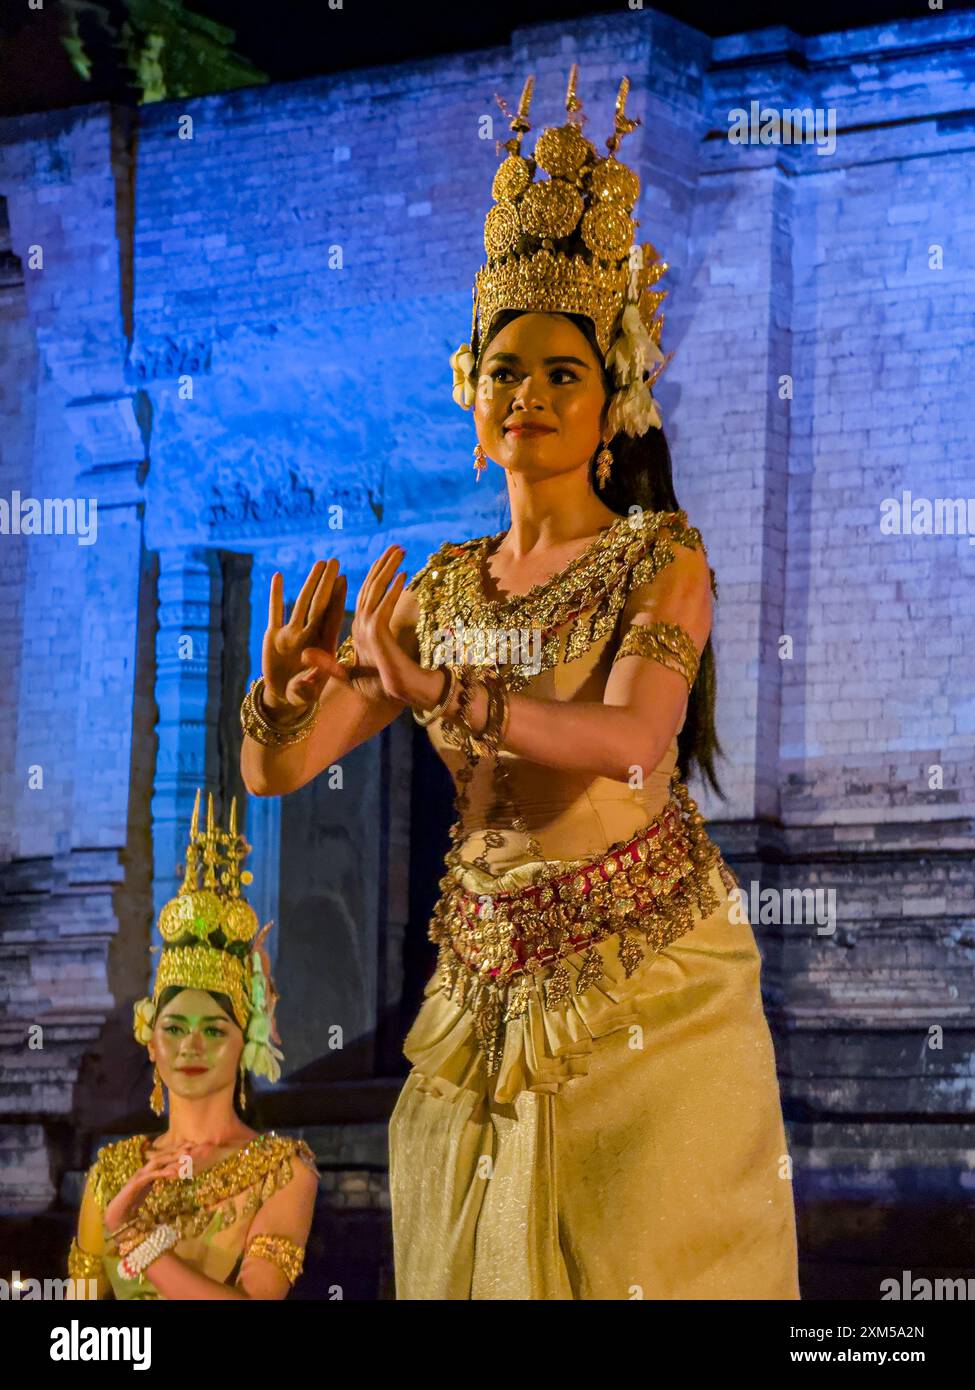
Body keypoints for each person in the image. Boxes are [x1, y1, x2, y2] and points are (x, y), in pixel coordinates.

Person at [240, 68, 800, 1300]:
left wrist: (450, 697)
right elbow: (277, 772)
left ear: (615, 401)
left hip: (644, 995)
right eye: (506, 370)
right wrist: (278, 697)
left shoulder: (661, 556)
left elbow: (633, 743)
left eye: (561, 373)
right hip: (477, 999)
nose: (529, 395)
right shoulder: (440, 590)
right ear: (470, 397)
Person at [67, 790, 318, 1300]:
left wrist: (137, 1237)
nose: (191, 1046)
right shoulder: (113, 1172)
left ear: (246, 1038)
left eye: (214, 1030)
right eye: (175, 1028)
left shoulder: (282, 1172)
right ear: (151, 1039)